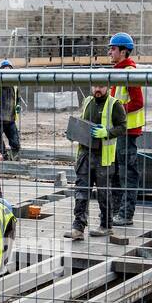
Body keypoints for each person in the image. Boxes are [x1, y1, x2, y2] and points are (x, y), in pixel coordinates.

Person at [64, 84, 126, 240]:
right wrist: (74, 132)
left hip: (103, 158)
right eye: (95, 86)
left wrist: (107, 133)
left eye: (102, 86)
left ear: (108, 87)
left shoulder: (114, 104)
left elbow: (123, 127)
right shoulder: (87, 101)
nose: (98, 89)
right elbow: (83, 124)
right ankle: (78, 228)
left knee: (103, 193)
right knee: (81, 191)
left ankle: (106, 225)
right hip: (85, 155)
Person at [108, 32, 145, 226]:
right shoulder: (119, 71)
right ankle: (116, 212)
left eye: (113, 49)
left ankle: (125, 214)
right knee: (115, 173)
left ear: (123, 51)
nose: (110, 52)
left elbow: (138, 102)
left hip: (127, 132)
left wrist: (118, 112)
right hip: (118, 132)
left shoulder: (129, 72)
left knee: (127, 174)